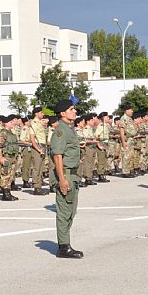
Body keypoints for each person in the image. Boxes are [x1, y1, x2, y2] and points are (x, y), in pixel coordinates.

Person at [49, 100, 84, 259]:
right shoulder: (61, 131)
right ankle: (64, 247)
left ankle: (65, 243)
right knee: (64, 211)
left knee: (71, 210)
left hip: (73, 174)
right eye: (71, 109)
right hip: (66, 174)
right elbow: (57, 156)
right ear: (62, 113)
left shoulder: (69, 129)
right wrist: (62, 180)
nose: (74, 111)